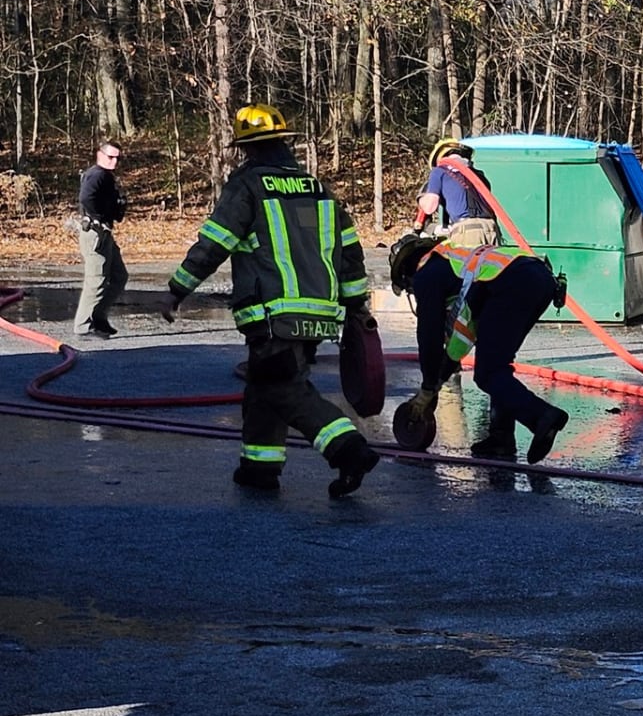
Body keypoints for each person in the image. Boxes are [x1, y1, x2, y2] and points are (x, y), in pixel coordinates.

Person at [160, 104, 381, 498]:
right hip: (319, 312)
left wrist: (178, 289)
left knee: (283, 389)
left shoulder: (248, 187)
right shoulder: (316, 188)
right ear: (284, 143)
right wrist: (355, 304)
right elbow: (350, 250)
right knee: (265, 386)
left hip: (273, 312)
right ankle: (259, 468)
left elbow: (216, 243)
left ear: (246, 148)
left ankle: (348, 449)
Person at [388, 233, 571, 464]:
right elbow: (461, 341)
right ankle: (501, 439)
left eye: (408, 287)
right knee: (496, 366)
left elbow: (429, 337)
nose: (412, 291)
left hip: (516, 282)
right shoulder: (454, 267)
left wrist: (426, 388)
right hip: (537, 278)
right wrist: (436, 384)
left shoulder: (426, 275)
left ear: (407, 271)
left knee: (488, 373)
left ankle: (542, 416)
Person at [73, 141, 129, 340]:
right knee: (96, 281)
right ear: (100, 155)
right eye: (110, 157)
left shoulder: (107, 176)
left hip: (105, 233)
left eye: (117, 158)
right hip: (95, 234)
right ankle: (82, 326)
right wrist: (97, 217)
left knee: (119, 275)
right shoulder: (96, 175)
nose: (114, 161)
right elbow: (86, 198)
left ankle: (99, 317)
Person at [415, 139, 500, 248]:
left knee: (466, 265)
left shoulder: (439, 171)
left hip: (467, 232)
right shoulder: (480, 175)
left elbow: (429, 207)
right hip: (492, 229)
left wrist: (421, 198)